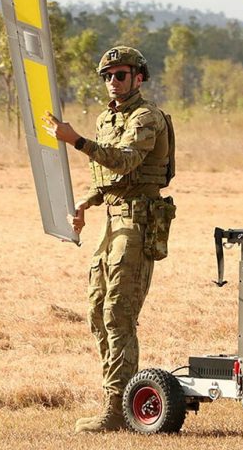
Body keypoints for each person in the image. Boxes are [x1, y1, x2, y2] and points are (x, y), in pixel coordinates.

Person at [44, 45, 175, 434]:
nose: (113, 82)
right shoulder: (107, 118)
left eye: (120, 75)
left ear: (139, 78)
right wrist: (86, 202)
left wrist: (76, 140)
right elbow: (109, 178)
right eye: (107, 76)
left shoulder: (147, 117)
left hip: (136, 224)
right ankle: (114, 402)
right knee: (97, 311)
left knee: (119, 314)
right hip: (111, 223)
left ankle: (119, 409)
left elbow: (125, 160)